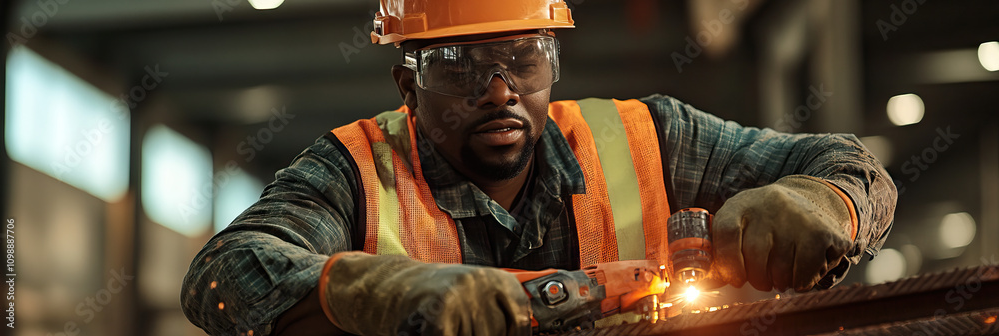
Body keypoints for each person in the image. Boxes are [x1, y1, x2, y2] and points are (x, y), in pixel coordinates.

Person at [181, 1, 897, 335]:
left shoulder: (650, 136)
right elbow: (222, 276)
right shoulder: (354, 169)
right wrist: (375, 290)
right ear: (408, 86)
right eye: (460, 66)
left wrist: (826, 198)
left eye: (524, 59)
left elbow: (847, 164)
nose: (498, 90)